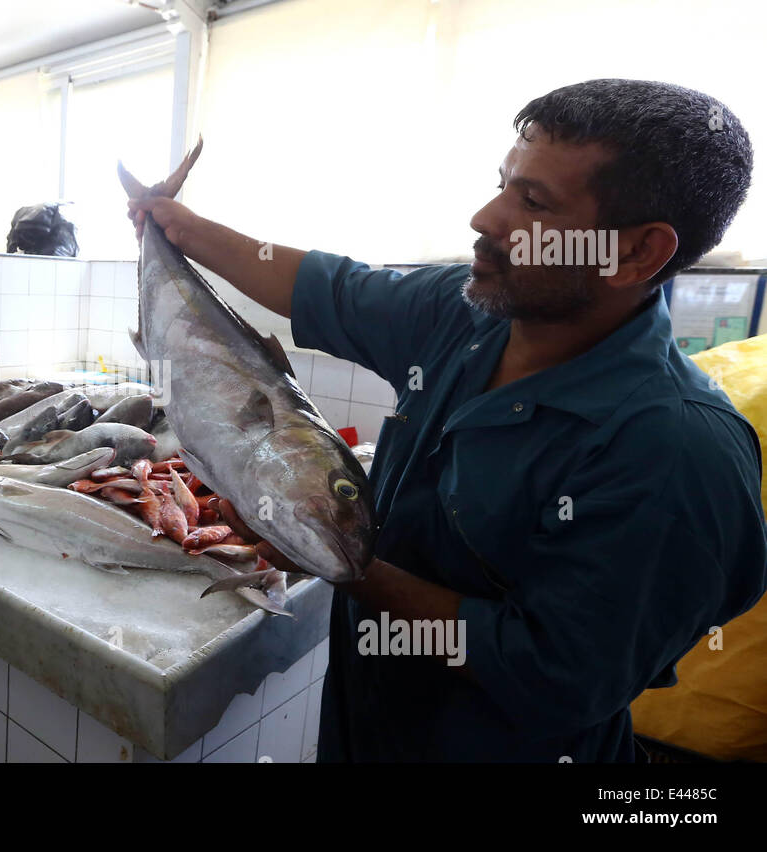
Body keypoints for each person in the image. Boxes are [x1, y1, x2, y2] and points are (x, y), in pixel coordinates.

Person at [130, 78, 767, 762]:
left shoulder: (677, 454)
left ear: (636, 252)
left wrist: (346, 566)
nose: (485, 217)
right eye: (503, 184)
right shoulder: (467, 315)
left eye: (533, 203)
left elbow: (550, 672)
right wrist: (177, 227)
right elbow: (327, 287)